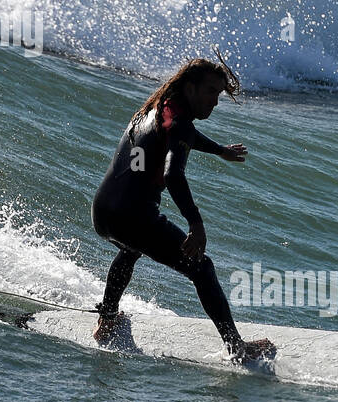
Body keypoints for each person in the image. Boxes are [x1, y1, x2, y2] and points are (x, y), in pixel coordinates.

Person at [91, 54, 276, 362]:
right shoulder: (178, 123)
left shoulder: (154, 109)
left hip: (105, 211)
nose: (215, 102)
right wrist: (196, 224)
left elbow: (183, 136)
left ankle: (107, 320)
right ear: (190, 89)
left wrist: (219, 150)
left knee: (131, 249)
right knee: (202, 268)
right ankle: (236, 348)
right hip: (133, 216)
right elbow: (173, 175)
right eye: (210, 92)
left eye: (218, 94)